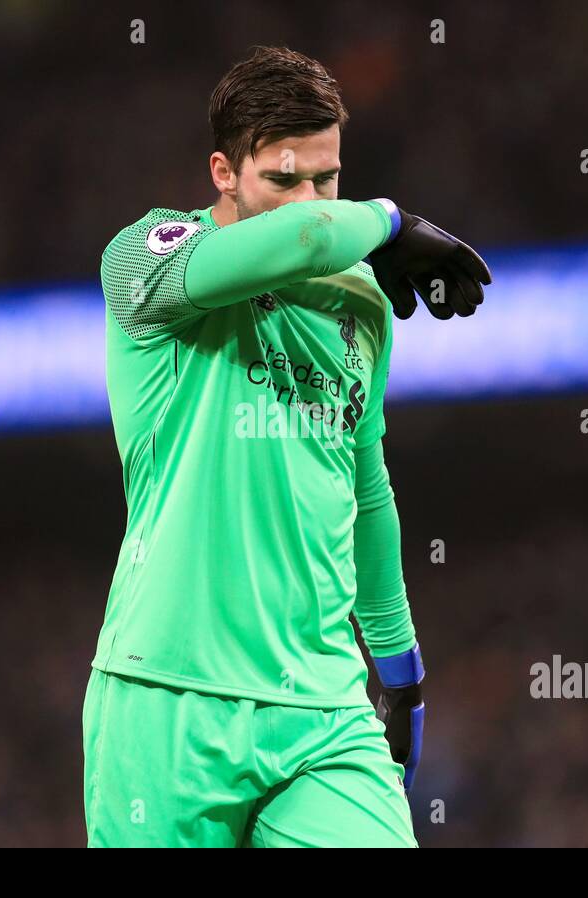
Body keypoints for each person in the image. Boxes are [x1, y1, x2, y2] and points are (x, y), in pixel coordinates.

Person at [83, 45, 490, 847]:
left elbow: (363, 486)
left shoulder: (363, 300)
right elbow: (309, 237)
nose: (313, 200)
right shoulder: (147, 258)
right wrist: (389, 220)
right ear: (223, 173)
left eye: (328, 178)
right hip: (164, 699)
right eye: (284, 177)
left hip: (323, 711)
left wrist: (400, 670)